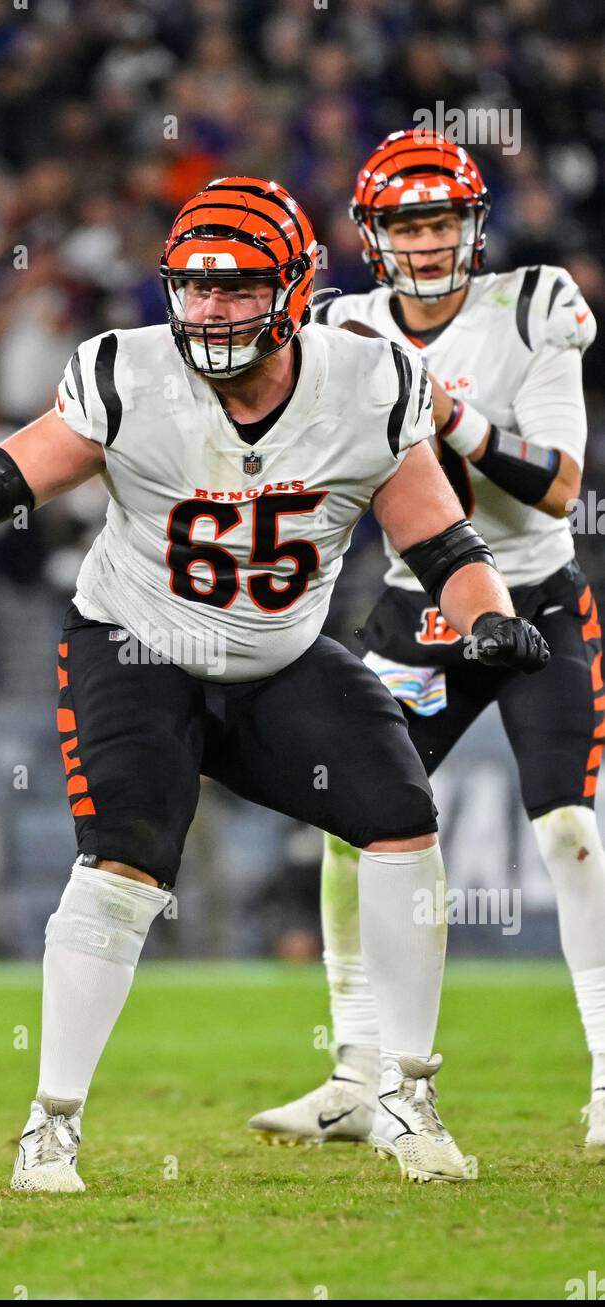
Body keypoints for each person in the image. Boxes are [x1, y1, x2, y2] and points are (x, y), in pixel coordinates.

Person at [0, 177, 548, 1188]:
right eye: (193, 290)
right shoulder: (127, 372)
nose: (209, 312)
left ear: (293, 289)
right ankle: (51, 1121)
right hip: (135, 648)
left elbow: (440, 537)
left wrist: (489, 617)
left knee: (400, 816)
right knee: (124, 862)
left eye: (237, 290)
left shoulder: (367, 384)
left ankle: (404, 1093)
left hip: (279, 659)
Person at [247, 130, 605, 1157]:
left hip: (531, 599)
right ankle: (357, 1072)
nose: (425, 240)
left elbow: (559, 484)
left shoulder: (530, 305)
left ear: (471, 227)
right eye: (405, 222)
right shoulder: (342, 325)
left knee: (565, 829)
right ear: (373, 235)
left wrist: (455, 419)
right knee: (349, 822)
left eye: (440, 219)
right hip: (415, 612)